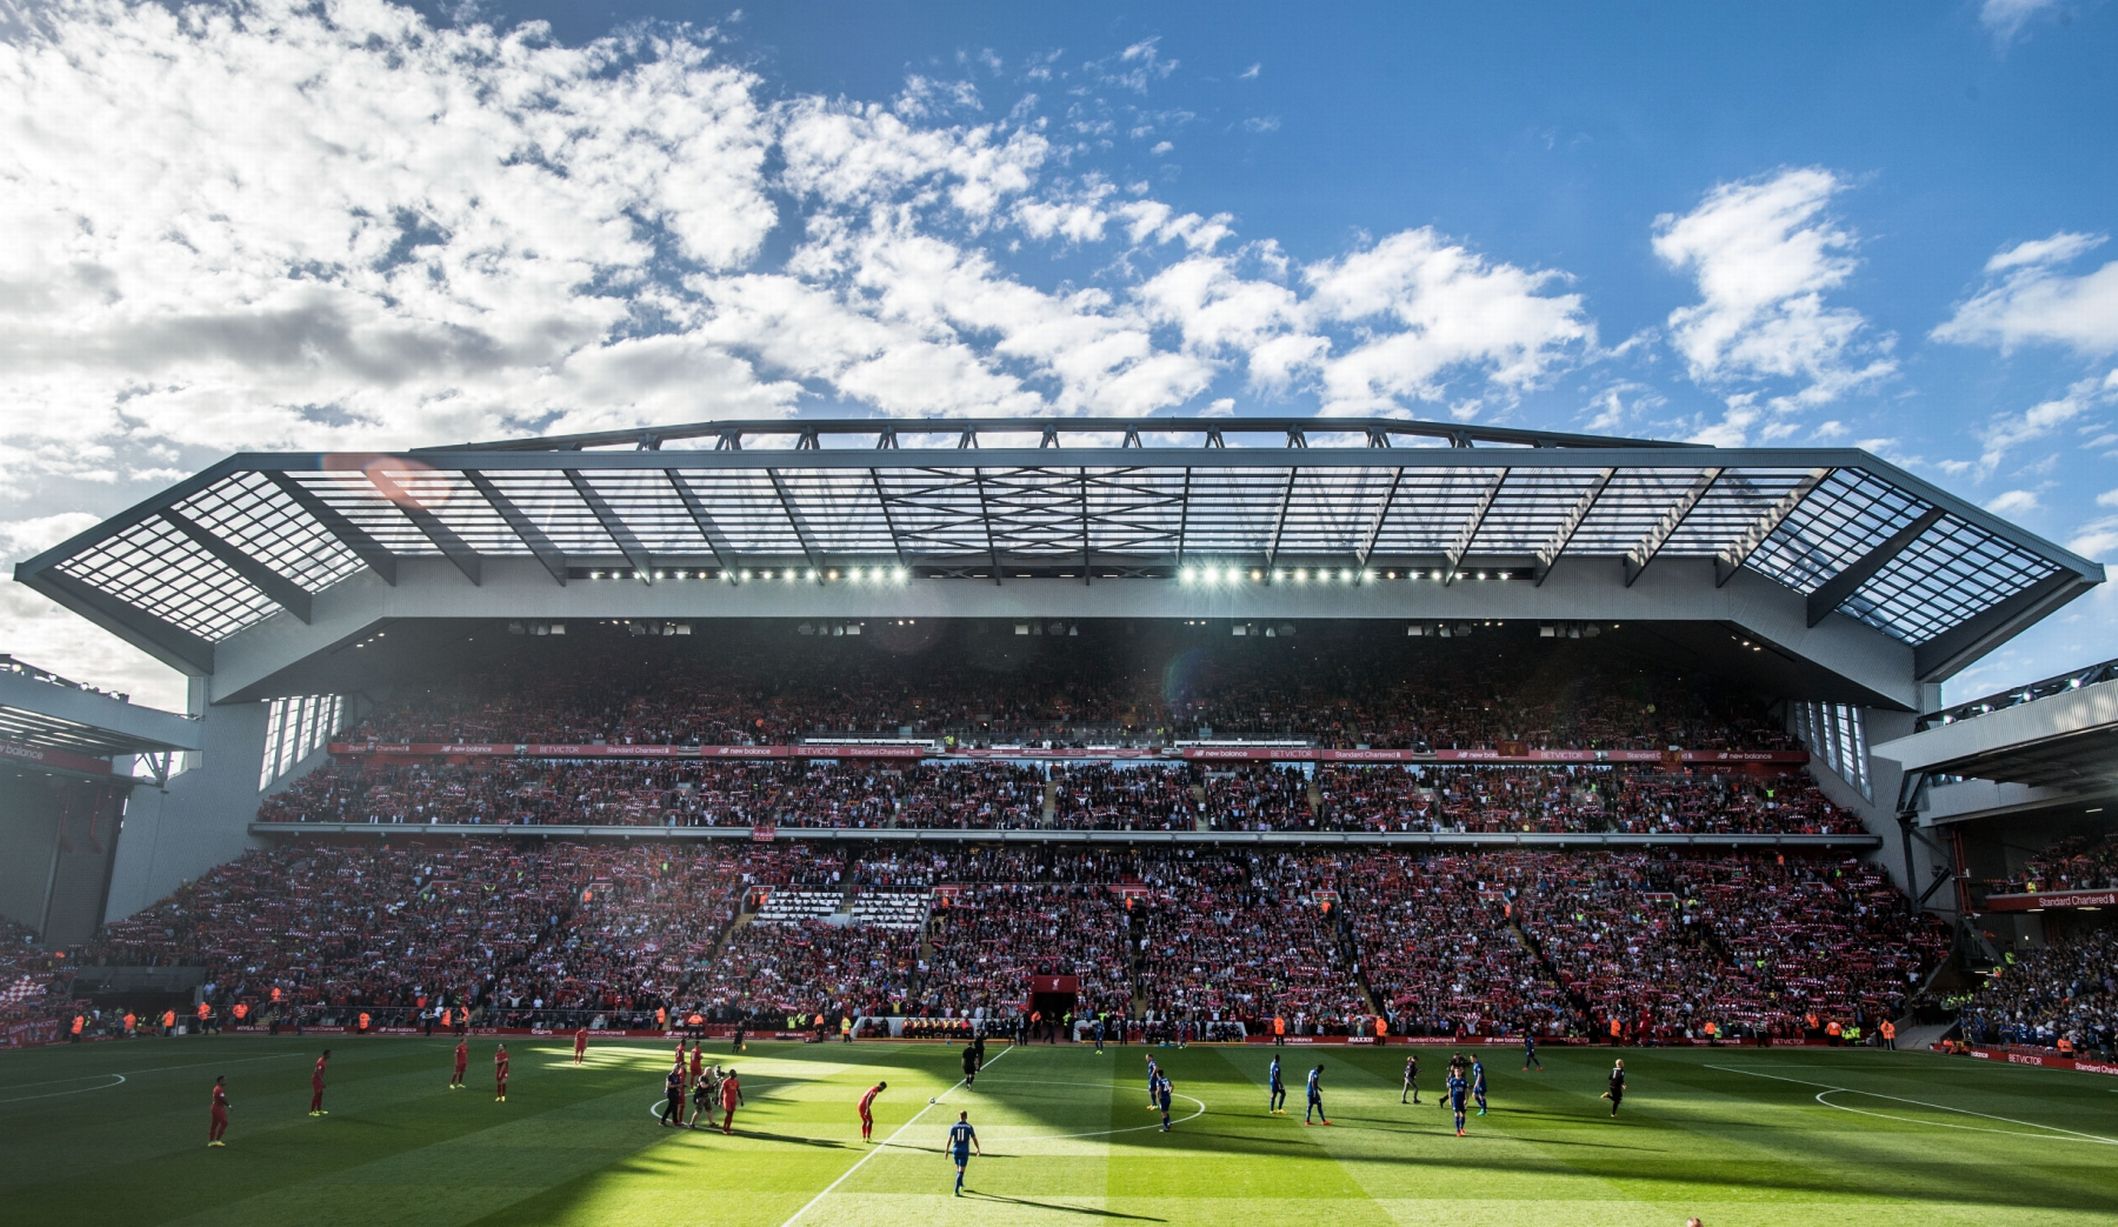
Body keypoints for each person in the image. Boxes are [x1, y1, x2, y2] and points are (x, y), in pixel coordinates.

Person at [946, 1110, 980, 1196]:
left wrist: (946, 1150)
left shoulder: (954, 1126)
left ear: (959, 1116)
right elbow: (974, 1138)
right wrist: (978, 1148)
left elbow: (949, 1139)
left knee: (958, 1169)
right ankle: (955, 1191)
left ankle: (960, 1184)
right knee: (961, 1171)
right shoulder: (969, 1127)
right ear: (966, 1117)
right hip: (964, 1151)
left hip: (955, 1150)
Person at [719, 1067, 743, 1135]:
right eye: (734, 1074)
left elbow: (738, 1091)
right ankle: (724, 1128)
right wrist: (720, 1100)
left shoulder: (736, 1082)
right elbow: (721, 1091)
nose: (735, 1075)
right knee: (728, 1113)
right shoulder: (726, 1081)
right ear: (730, 1074)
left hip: (733, 1100)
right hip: (727, 1100)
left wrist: (741, 1099)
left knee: (731, 1114)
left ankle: (728, 1128)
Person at [208, 1075, 230, 1148]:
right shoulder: (219, 1089)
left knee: (214, 1124)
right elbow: (222, 1099)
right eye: (224, 1080)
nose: (225, 1081)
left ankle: (211, 1142)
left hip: (215, 1107)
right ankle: (217, 1140)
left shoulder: (217, 1088)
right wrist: (229, 1105)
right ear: (220, 1081)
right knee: (224, 1123)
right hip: (218, 1108)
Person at [308, 1049, 330, 1117]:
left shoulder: (324, 1060)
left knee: (320, 1094)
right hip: (316, 1080)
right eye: (329, 1054)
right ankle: (311, 1111)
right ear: (325, 1054)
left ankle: (319, 1110)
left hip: (319, 1080)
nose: (330, 1055)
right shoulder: (320, 1062)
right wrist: (322, 1081)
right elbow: (317, 1072)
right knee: (316, 1094)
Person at [1447, 1067, 1469, 1137]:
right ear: (1454, 1072)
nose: (1457, 1073)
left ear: (1461, 1072)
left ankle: (1461, 1128)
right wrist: (1450, 1100)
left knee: (1463, 1114)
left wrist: (1466, 1100)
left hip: (1462, 1100)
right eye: (1456, 1071)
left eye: (1459, 1071)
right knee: (1457, 1114)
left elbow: (1467, 1091)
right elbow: (1450, 1091)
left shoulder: (1464, 1081)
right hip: (1455, 1100)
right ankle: (1458, 1131)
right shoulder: (1452, 1080)